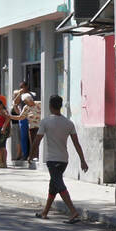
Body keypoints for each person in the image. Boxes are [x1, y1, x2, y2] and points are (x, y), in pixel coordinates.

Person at [33, 95, 89, 223]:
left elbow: (37, 140)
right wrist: (82, 160)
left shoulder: (45, 121)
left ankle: (73, 211)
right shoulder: (69, 123)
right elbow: (76, 143)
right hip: (64, 160)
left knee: (58, 184)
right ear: (60, 105)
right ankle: (45, 212)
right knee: (53, 186)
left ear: (50, 106)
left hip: (52, 160)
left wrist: (31, 154)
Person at [21, 92, 43, 164]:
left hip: (41, 127)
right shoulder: (26, 107)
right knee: (33, 142)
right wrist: (11, 116)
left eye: (25, 101)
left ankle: (40, 156)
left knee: (40, 142)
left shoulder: (39, 104)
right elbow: (21, 117)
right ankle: (34, 156)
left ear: (29, 100)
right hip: (32, 128)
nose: (25, 103)